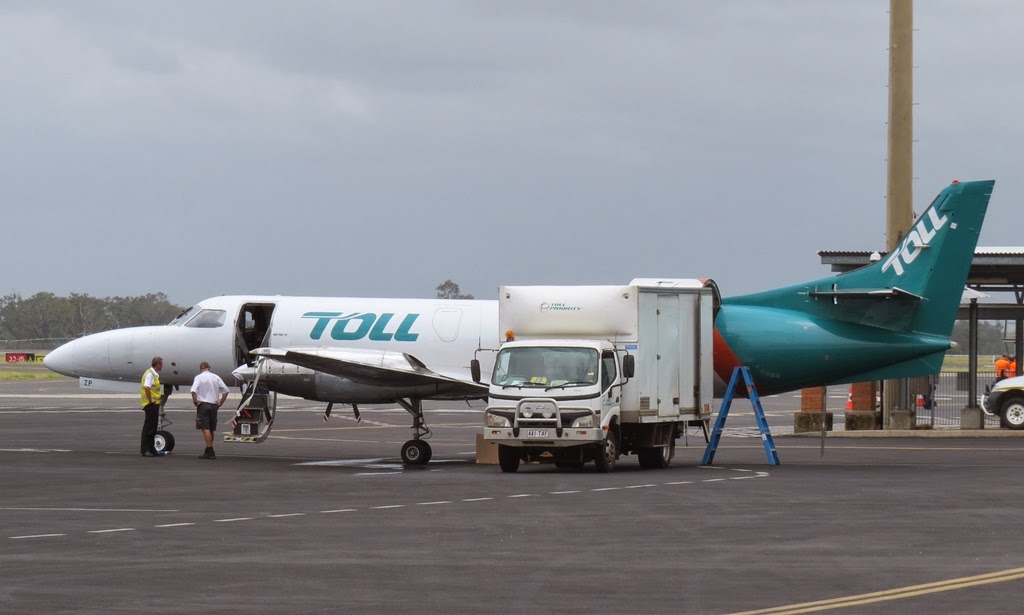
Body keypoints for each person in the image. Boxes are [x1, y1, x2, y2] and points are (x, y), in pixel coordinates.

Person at [190, 361, 230, 459]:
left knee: (205, 428)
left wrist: (195, 401)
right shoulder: (216, 377)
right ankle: (208, 449)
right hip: (214, 405)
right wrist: (220, 402)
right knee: (211, 428)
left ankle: (210, 450)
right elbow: (226, 391)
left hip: (204, 404)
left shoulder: (199, 377)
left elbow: (193, 390)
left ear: (200, 369)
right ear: (209, 368)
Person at [140, 356, 165, 457]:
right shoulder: (150, 375)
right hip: (150, 404)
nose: (162, 366)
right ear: (158, 364)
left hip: (154, 404)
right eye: (161, 364)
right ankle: (145, 449)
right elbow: (147, 387)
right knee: (149, 427)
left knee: (152, 427)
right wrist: (150, 399)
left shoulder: (154, 374)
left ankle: (151, 448)